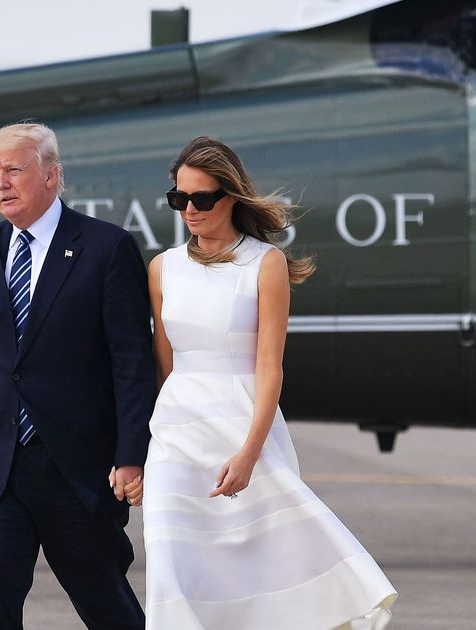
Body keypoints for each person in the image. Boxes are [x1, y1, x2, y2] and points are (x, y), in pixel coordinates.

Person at [135, 136, 397, 629]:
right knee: (171, 568)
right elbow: (164, 367)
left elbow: (270, 368)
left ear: (231, 196)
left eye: (201, 198)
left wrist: (250, 453)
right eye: (179, 198)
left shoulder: (264, 263)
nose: (189, 209)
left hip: (244, 427)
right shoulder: (162, 268)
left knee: (262, 574)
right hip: (175, 433)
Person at [0, 122, 154, 630]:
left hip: (78, 469)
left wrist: (131, 455)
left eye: (14, 169)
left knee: (106, 607)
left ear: (52, 175)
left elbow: (131, 362)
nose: (1, 182)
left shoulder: (106, 248)